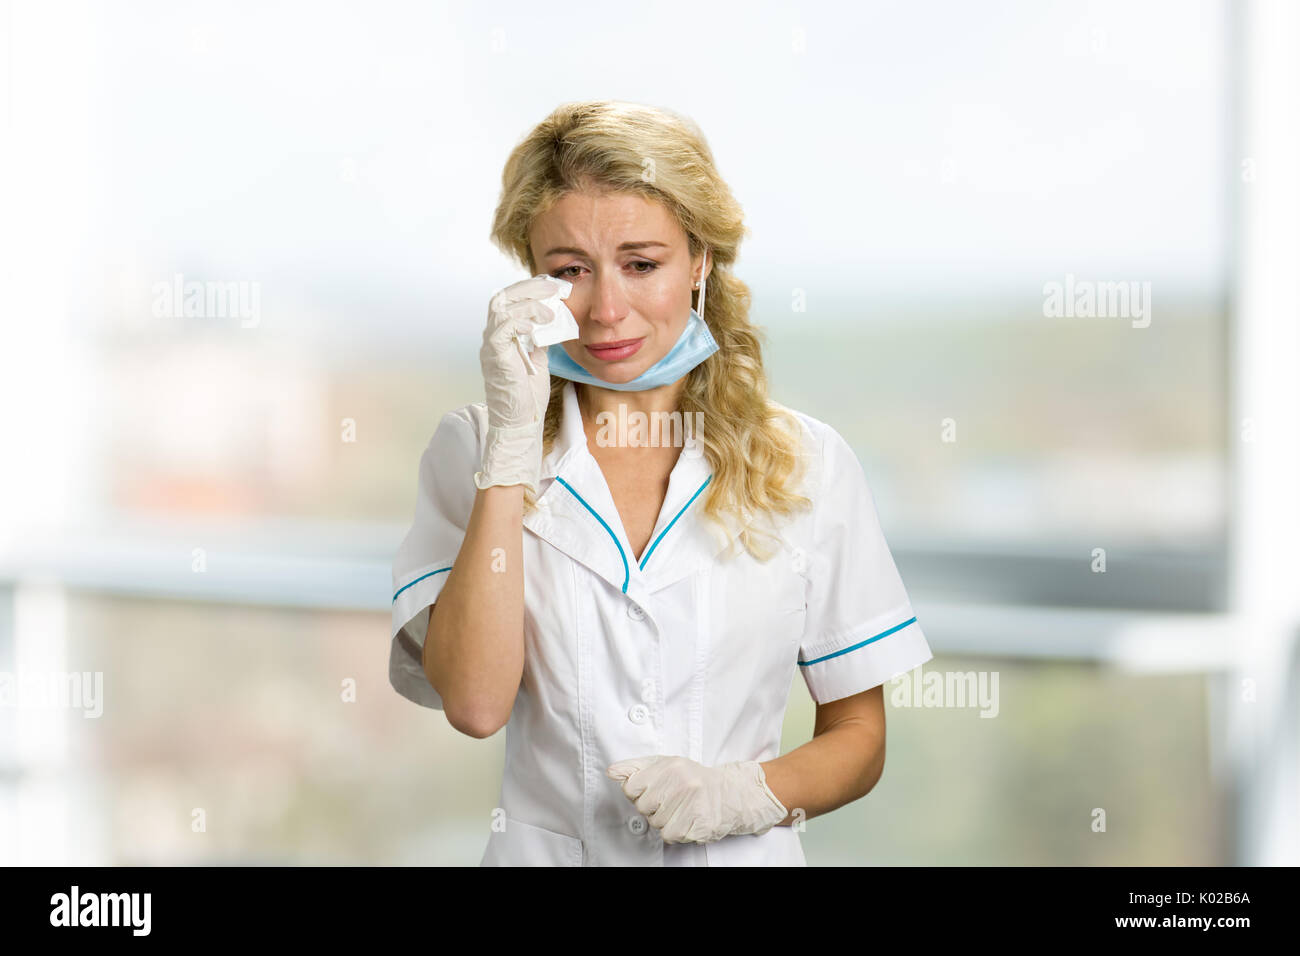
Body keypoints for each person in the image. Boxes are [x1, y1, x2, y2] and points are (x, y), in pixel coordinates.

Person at [389, 100, 932, 866]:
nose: (606, 309)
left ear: (700, 259)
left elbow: (860, 739)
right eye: (569, 271)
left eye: (642, 264)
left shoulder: (806, 462)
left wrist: (745, 794)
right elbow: (476, 705)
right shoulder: (476, 449)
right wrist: (513, 450)